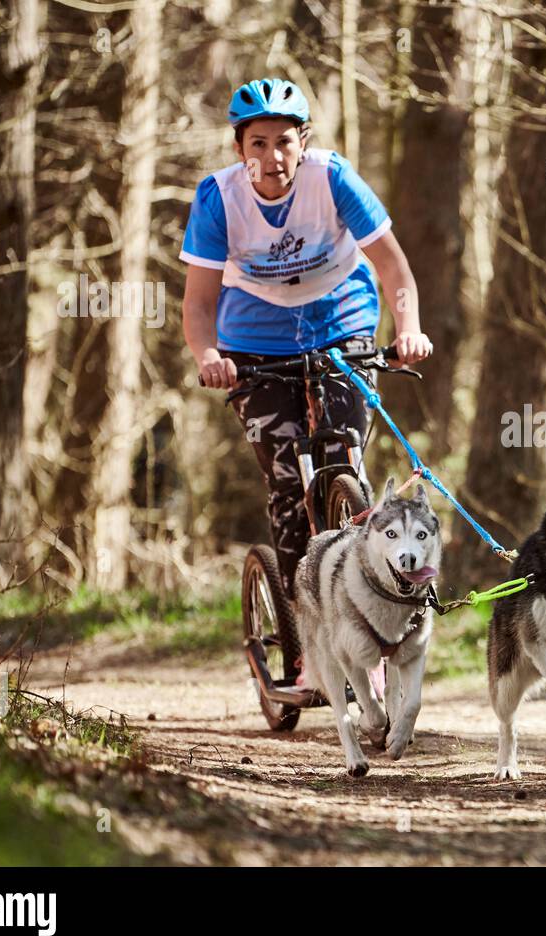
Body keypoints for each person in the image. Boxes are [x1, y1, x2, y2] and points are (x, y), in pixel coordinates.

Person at [180, 77, 433, 600]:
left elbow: (395, 269)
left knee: (346, 463)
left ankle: (370, 598)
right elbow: (199, 304)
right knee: (289, 487)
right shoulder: (218, 200)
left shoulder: (334, 179)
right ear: (239, 148)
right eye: (258, 144)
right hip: (256, 342)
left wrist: (407, 330)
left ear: (304, 141)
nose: (272, 156)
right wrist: (209, 355)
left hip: (341, 324)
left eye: (285, 141)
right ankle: (304, 624)